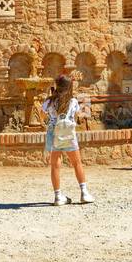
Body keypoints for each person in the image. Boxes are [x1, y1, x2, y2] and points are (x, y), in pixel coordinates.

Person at [42, 74, 95, 205]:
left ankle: (58, 196)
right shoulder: (73, 101)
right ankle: (84, 193)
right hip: (69, 135)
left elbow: (42, 115)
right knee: (77, 163)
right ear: (69, 87)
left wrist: (50, 120)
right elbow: (79, 116)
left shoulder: (49, 102)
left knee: (55, 166)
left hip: (54, 134)